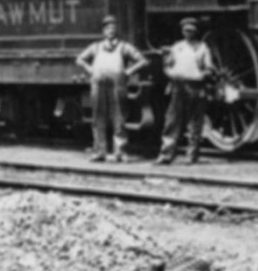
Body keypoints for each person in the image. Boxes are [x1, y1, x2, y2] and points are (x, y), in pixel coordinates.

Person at [76, 15, 147, 160]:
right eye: (108, 29)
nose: (111, 31)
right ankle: (99, 152)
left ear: (117, 31)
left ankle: (120, 152)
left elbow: (142, 61)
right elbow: (79, 59)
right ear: (103, 31)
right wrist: (91, 71)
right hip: (98, 84)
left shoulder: (124, 46)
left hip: (117, 85)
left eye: (113, 29)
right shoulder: (95, 47)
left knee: (119, 117)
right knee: (98, 118)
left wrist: (128, 72)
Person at [158, 16, 214, 164]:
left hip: (195, 86)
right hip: (178, 85)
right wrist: (171, 74)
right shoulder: (177, 47)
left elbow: (209, 68)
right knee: (172, 121)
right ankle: (166, 154)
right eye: (185, 30)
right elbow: (167, 65)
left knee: (195, 123)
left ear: (195, 32)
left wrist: (201, 75)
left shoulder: (203, 48)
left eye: (191, 31)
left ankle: (192, 155)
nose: (188, 33)